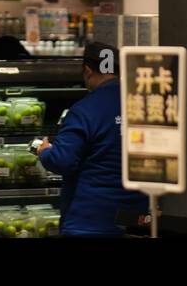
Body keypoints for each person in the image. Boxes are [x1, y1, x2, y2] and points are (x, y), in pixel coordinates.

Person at [36, 41, 148, 237]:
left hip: (90, 221)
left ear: (87, 71)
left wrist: (45, 151)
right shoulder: (143, 106)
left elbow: (62, 160)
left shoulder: (84, 110)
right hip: (136, 218)